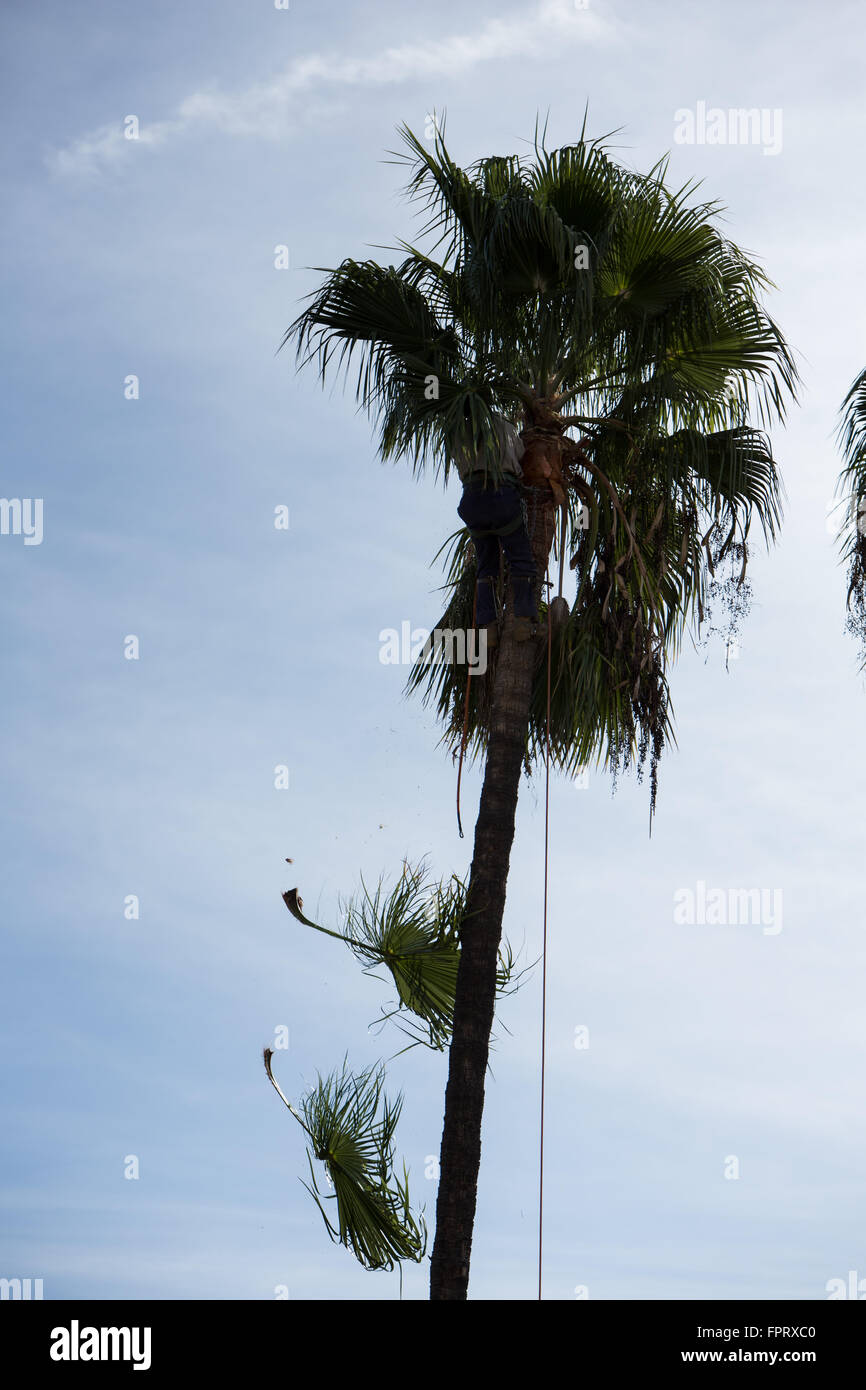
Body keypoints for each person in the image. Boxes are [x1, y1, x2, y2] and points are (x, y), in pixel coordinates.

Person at [453, 409, 538, 646]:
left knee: (486, 567)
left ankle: (488, 627)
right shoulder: (505, 426)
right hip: (501, 495)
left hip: (471, 500)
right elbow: (522, 454)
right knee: (520, 558)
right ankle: (523, 622)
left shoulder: (459, 431)